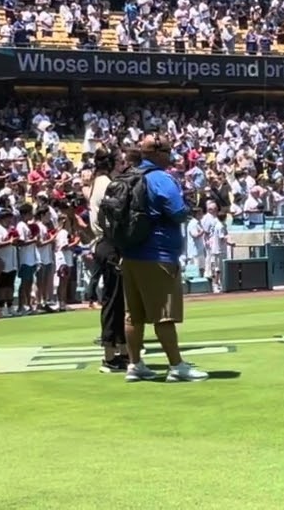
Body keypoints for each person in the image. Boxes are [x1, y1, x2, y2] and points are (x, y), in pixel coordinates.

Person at [119, 134, 208, 383]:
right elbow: (178, 212)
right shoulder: (162, 179)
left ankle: (135, 364)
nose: (170, 157)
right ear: (158, 154)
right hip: (158, 255)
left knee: (133, 315)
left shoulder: (128, 176)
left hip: (130, 254)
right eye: (167, 152)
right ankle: (177, 366)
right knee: (164, 315)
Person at [88, 146, 128, 373]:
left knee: (118, 301)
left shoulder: (98, 181)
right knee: (113, 301)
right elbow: (112, 215)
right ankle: (110, 356)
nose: (123, 166)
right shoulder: (106, 184)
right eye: (119, 162)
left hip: (105, 243)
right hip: (109, 243)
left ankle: (122, 351)